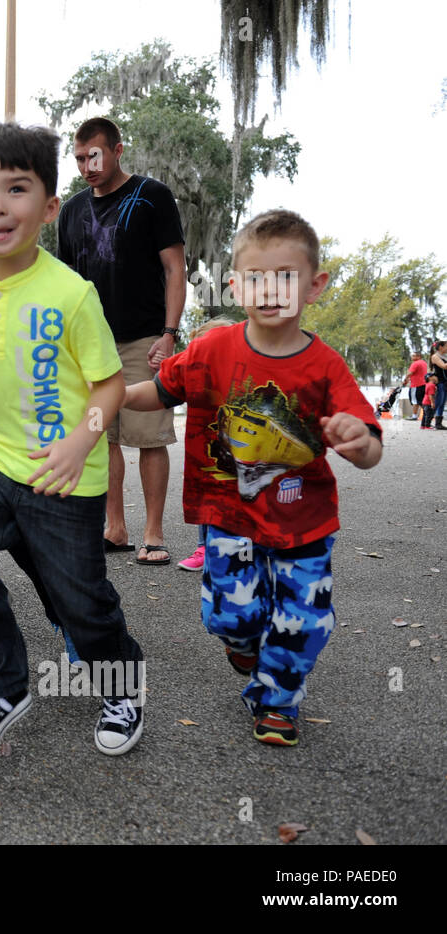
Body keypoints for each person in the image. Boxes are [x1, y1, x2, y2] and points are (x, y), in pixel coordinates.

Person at [0, 121, 146, 758]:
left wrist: (80, 442)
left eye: (16, 189)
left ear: (47, 208)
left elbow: (110, 389)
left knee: (81, 604)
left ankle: (122, 685)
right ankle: (2, 687)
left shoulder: (72, 294)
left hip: (65, 476)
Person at [124, 209, 382, 746]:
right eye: (256, 278)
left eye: (285, 277)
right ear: (236, 284)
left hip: (303, 522)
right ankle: (241, 644)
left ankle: (277, 700)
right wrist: (116, 397)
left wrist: (361, 443)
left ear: (315, 286)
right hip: (229, 516)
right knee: (233, 617)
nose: (270, 289)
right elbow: (162, 390)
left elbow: (368, 443)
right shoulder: (214, 350)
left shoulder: (326, 366)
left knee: (303, 622)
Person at [57, 117, 187, 566]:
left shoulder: (151, 196)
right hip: (89, 342)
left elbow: (175, 269)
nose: (86, 166)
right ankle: (114, 527)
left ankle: (153, 532)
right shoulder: (72, 210)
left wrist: (169, 335)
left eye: (93, 155)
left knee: (149, 436)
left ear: (117, 150)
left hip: (144, 336)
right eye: (78, 158)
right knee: (101, 436)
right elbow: (66, 284)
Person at [172, 316, 239, 572]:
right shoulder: (198, 380)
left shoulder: (243, 378)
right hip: (207, 457)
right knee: (206, 499)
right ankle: (205, 546)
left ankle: (242, 545)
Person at [404, 352, 428, 421]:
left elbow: (410, 373)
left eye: (414, 356)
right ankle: (427, 414)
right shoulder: (424, 363)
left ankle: (414, 416)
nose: (412, 357)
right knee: (421, 400)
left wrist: (405, 380)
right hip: (423, 384)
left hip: (416, 385)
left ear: (419, 356)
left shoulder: (415, 363)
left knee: (415, 401)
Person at [429, 341, 447, 429]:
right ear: (440, 347)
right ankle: (427, 421)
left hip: (445, 382)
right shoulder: (435, 356)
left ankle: (438, 423)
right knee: (438, 402)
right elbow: (444, 366)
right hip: (440, 382)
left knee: (442, 403)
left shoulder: (444, 356)